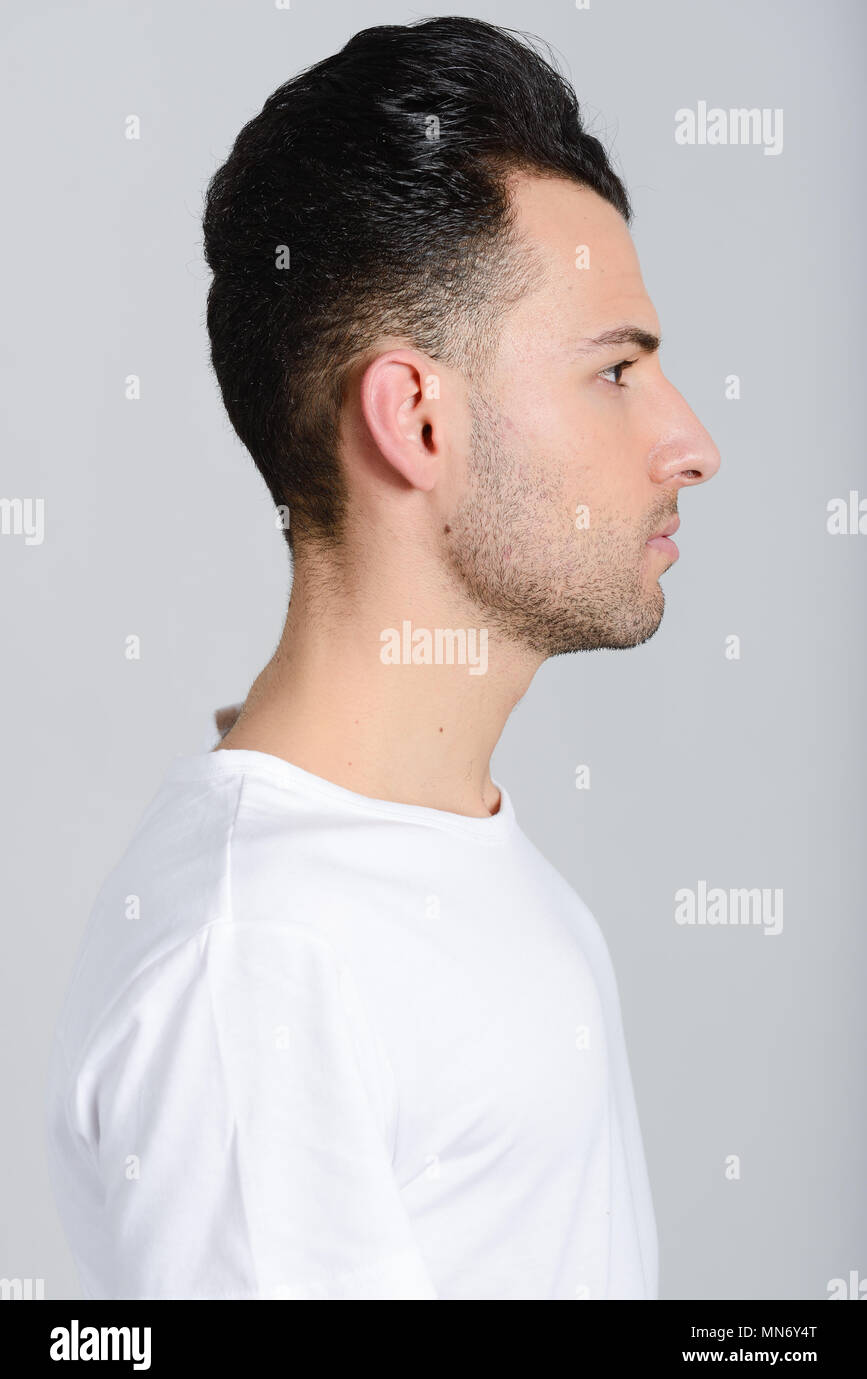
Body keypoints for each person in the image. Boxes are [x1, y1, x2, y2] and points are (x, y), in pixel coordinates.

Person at [45, 15, 720, 1300]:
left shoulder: (437, 855)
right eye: (618, 372)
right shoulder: (262, 966)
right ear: (414, 416)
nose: (691, 444)